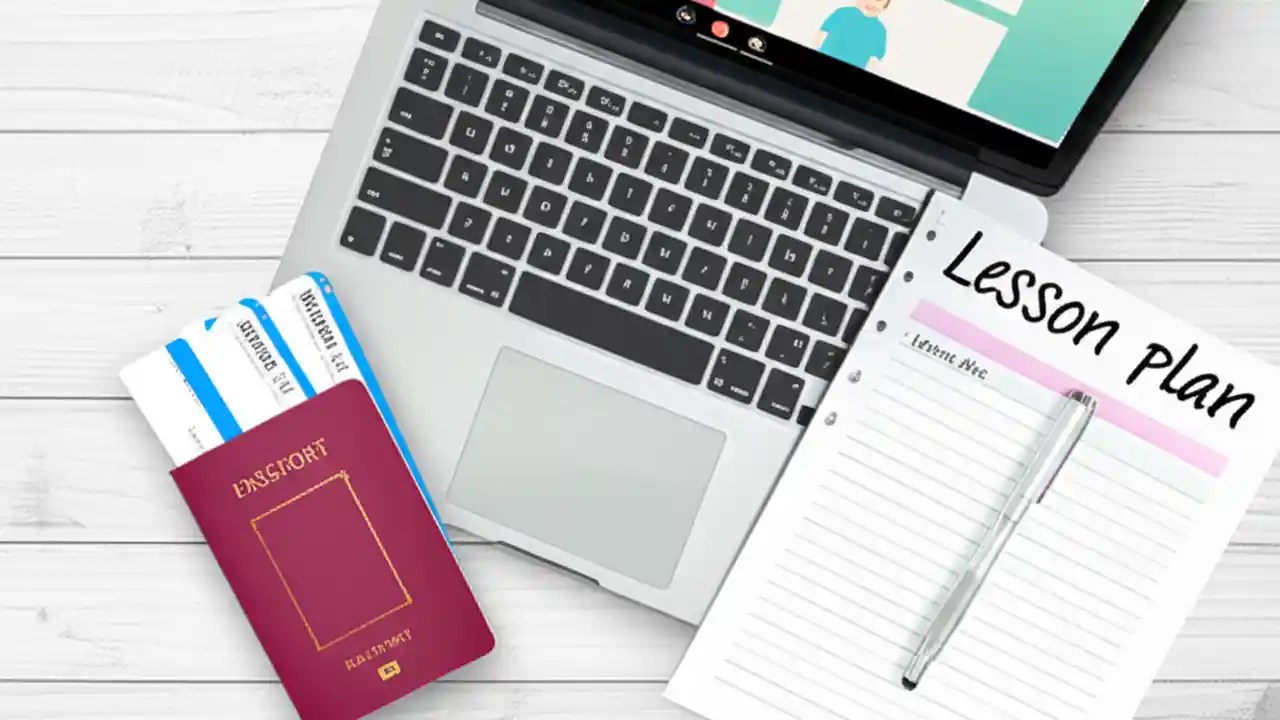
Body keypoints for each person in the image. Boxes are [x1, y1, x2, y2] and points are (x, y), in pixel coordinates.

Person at [814, 0, 891, 71]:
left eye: (878, 0)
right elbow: (822, 33)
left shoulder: (880, 30)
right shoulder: (842, 13)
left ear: (884, 7)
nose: (871, 2)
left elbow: (876, 58)